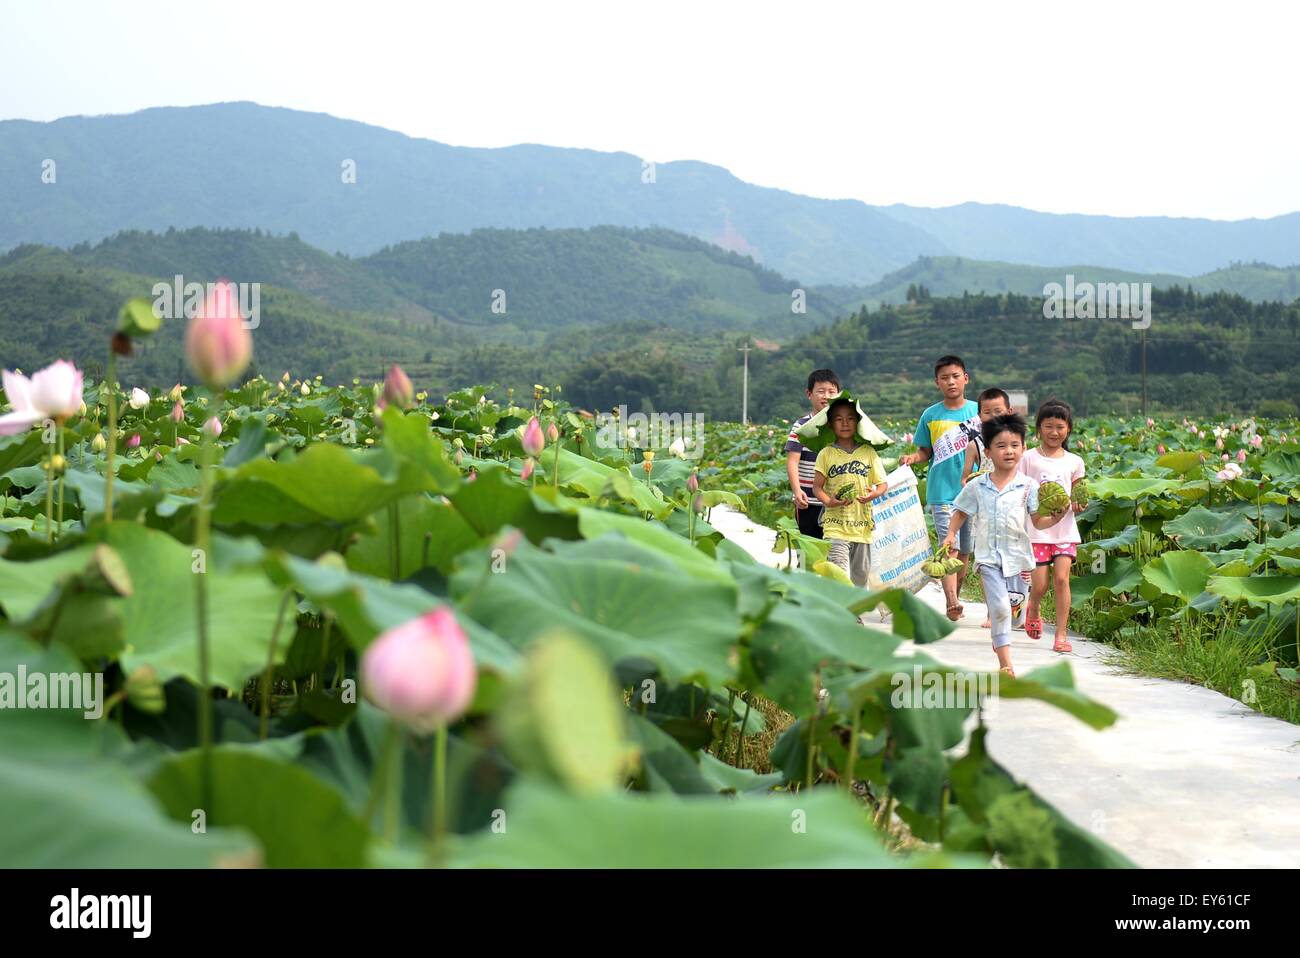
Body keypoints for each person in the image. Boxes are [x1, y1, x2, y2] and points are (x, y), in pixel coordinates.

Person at [940, 414, 1069, 677]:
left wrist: (1055, 516)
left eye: (1014, 445)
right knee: (999, 609)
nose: (1008, 451)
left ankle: (1028, 610)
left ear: (1022, 449)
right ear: (988, 451)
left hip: (1019, 559)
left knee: (1014, 611)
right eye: (1000, 446)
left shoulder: (1029, 486)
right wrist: (950, 534)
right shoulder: (978, 485)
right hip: (988, 558)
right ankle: (1005, 664)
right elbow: (960, 510)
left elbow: (1037, 521)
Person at [899, 355, 979, 621]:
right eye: (944, 378)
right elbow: (925, 451)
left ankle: (958, 589)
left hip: (974, 492)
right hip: (942, 492)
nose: (951, 382)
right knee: (949, 547)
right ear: (937, 383)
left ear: (966, 378)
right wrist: (913, 458)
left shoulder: (979, 412)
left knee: (965, 550)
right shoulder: (930, 415)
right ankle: (952, 601)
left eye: (955, 376)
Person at [1019, 399, 1087, 652]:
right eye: (1048, 426)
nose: (1054, 432)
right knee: (1040, 585)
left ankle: (1061, 635)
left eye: (1060, 427)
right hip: (1036, 530)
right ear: (1038, 429)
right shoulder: (1028, 458)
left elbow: (1079, 493)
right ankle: (1033, 606)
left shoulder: (1075, 461)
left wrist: (1080, 504)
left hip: (1065, 530)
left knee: (1061, 580)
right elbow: (1020, 489)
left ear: (1068, 429)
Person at [961, 387, 1027, 631]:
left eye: (997, 411)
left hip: (1013, 508)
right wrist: (972, 482)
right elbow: (965, 478)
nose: (992, 416)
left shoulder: (1018, 443)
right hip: (985, 511)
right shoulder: (975, 445)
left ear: (1008, 411)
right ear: (979, 416)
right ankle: (992, 611)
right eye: (986, 412)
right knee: (987, 562)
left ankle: (1016, 608)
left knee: (1015, 561)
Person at [811, 397, 887, 587]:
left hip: (862, 526)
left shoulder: (869, 452)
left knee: (860, 576)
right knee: (837, 570)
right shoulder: (826, 454)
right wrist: (828, 501)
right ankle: (842, 612)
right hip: (834, 525)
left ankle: (854, 610)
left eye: (850, 418)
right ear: (830, 424)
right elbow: (817, 487)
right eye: (839, 419)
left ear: (858, 422)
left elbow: (882, 484)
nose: (845, 423)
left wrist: (874, 494)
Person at [785, 369, 840, 542]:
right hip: (807, 500)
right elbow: (793, 461)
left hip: (836, 502)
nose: (826, 396)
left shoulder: (844, 427)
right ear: (809, 394)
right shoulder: (801, 426)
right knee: (808, 549)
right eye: (821, 391)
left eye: (831, 392)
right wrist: (796, 490)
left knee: (833, 553)